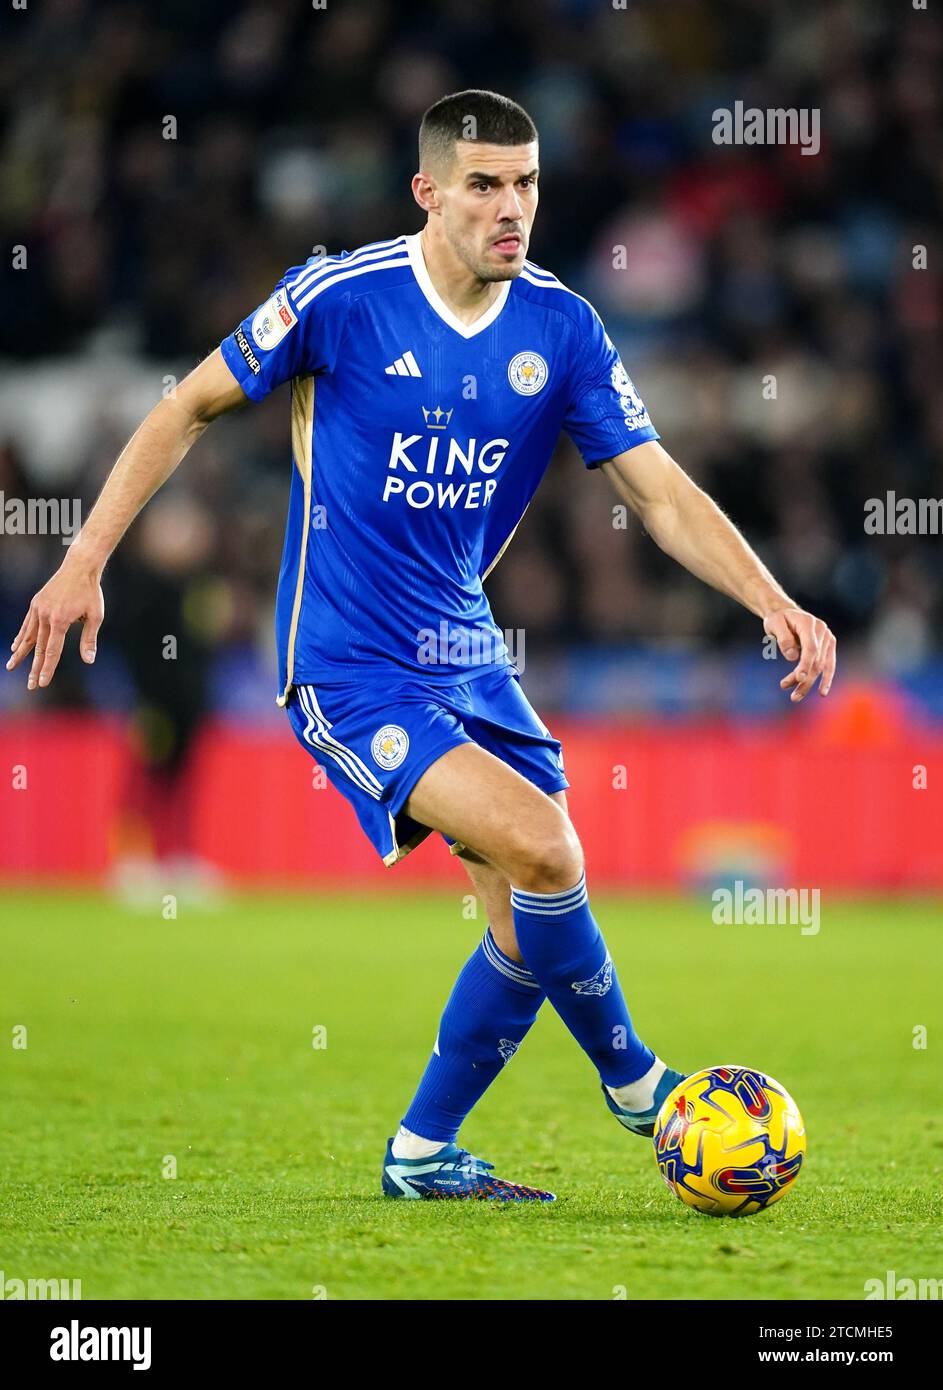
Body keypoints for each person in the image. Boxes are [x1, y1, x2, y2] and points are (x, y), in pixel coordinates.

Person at [6, 90, 836, 1201]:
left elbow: (659, 490)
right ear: (429, 190)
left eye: (528, 184)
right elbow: (181, 408)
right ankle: (640, 1087)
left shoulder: (563, 328)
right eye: (486, 184)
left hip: (468, 655)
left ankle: (420, 1155)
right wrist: (81, 559)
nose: (513, 207)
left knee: (524, 924)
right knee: (548, 851)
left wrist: (769, 596)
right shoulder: (339, 299)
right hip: (343, 662)